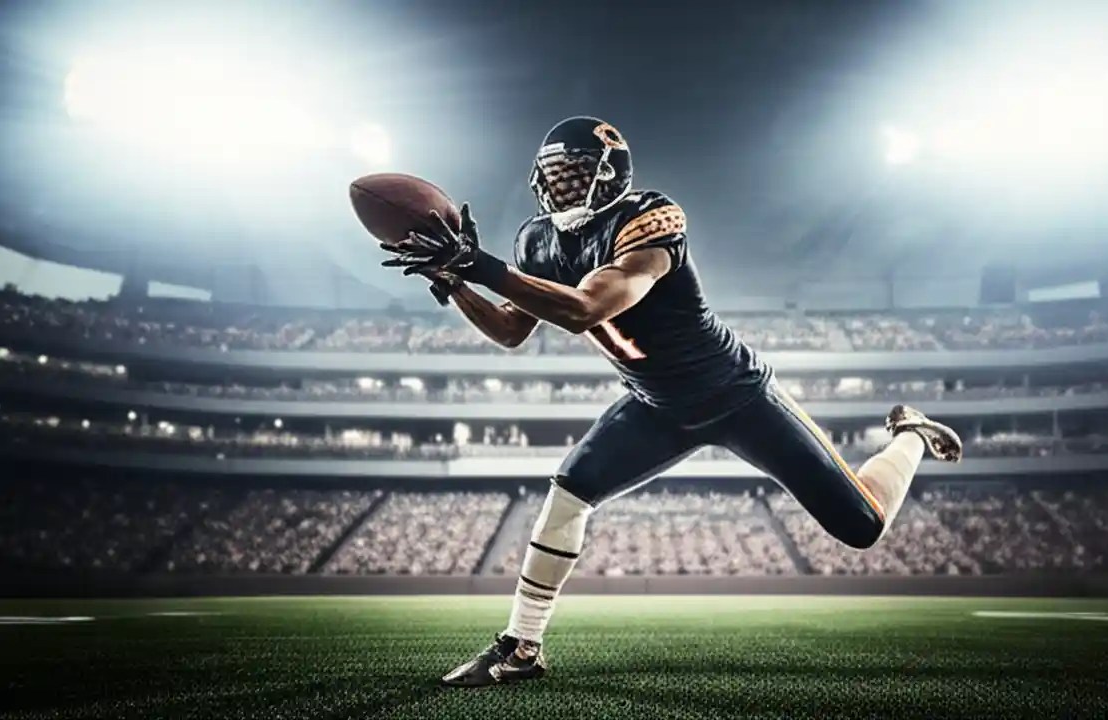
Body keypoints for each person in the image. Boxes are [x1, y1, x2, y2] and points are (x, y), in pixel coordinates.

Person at [380, 116, 962, 687]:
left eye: (577, 173)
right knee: (568, 492)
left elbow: (587, 307)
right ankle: (521, 645)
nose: (563, 187)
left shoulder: (649, 219)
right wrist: (456, 283)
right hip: (654, 404)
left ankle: (909, 431)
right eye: (554, 176)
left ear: (613, 173)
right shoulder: (536, 240)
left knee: (862, 525)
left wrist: (477, 265)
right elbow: (511, 331)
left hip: (736, 395)